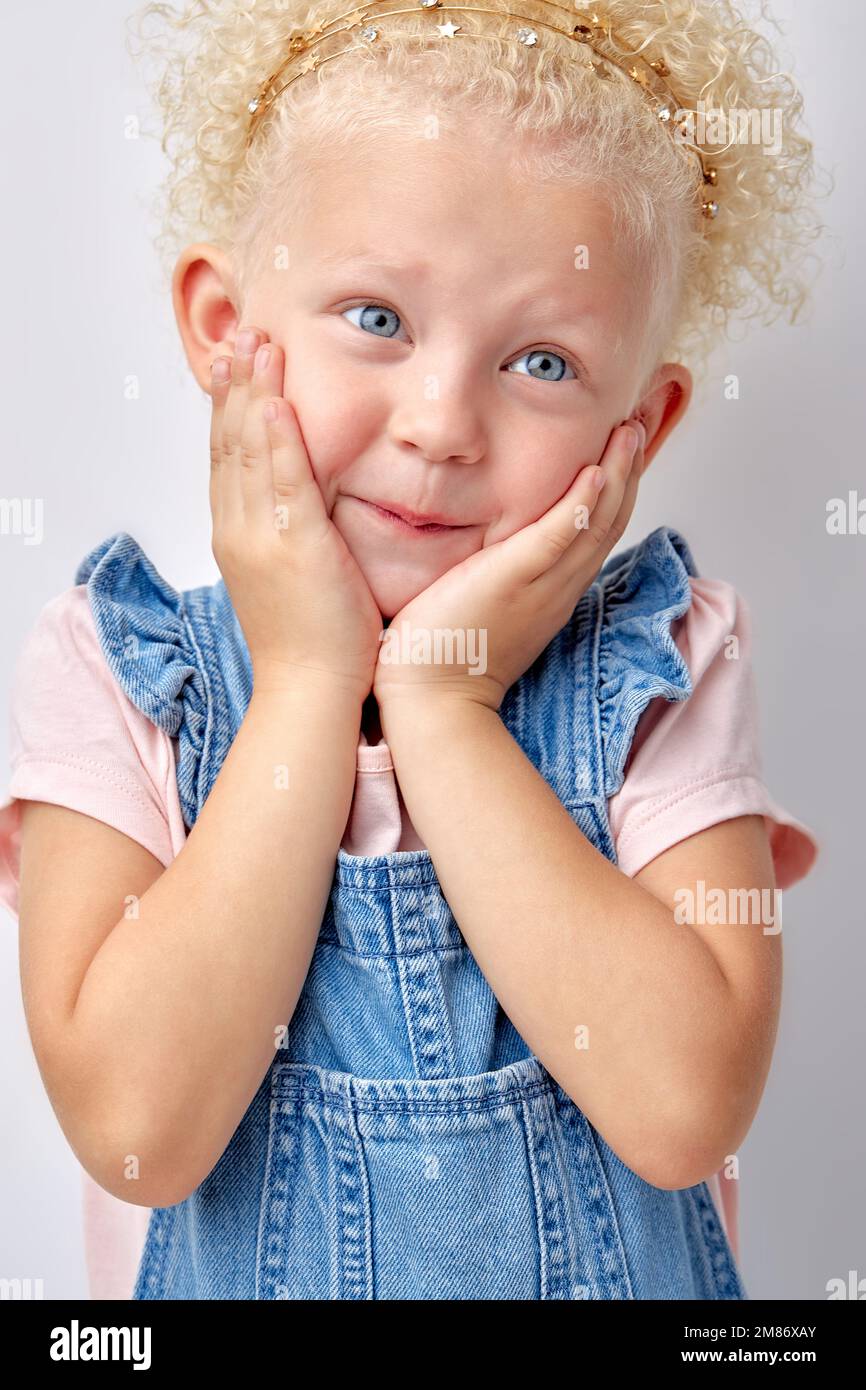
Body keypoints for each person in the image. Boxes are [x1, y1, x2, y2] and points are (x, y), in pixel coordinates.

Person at [0, 0, 822, 1299]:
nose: (442, 424)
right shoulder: (121, 672)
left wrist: (443, 703)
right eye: (376, 318)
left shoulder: (657, 667)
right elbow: (139, 1130)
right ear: (224, 326)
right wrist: (314, 683)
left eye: (541, 359)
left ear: (641, 425)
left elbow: (681, 1111)